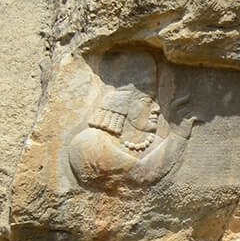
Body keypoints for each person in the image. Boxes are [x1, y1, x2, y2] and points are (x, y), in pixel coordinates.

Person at [67, 53, 196, 190]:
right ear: (121, 104)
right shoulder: (88, 142)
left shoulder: (157, 144)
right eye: (147, 100)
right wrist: (178, 138)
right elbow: (139, 174)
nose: (157, 108)